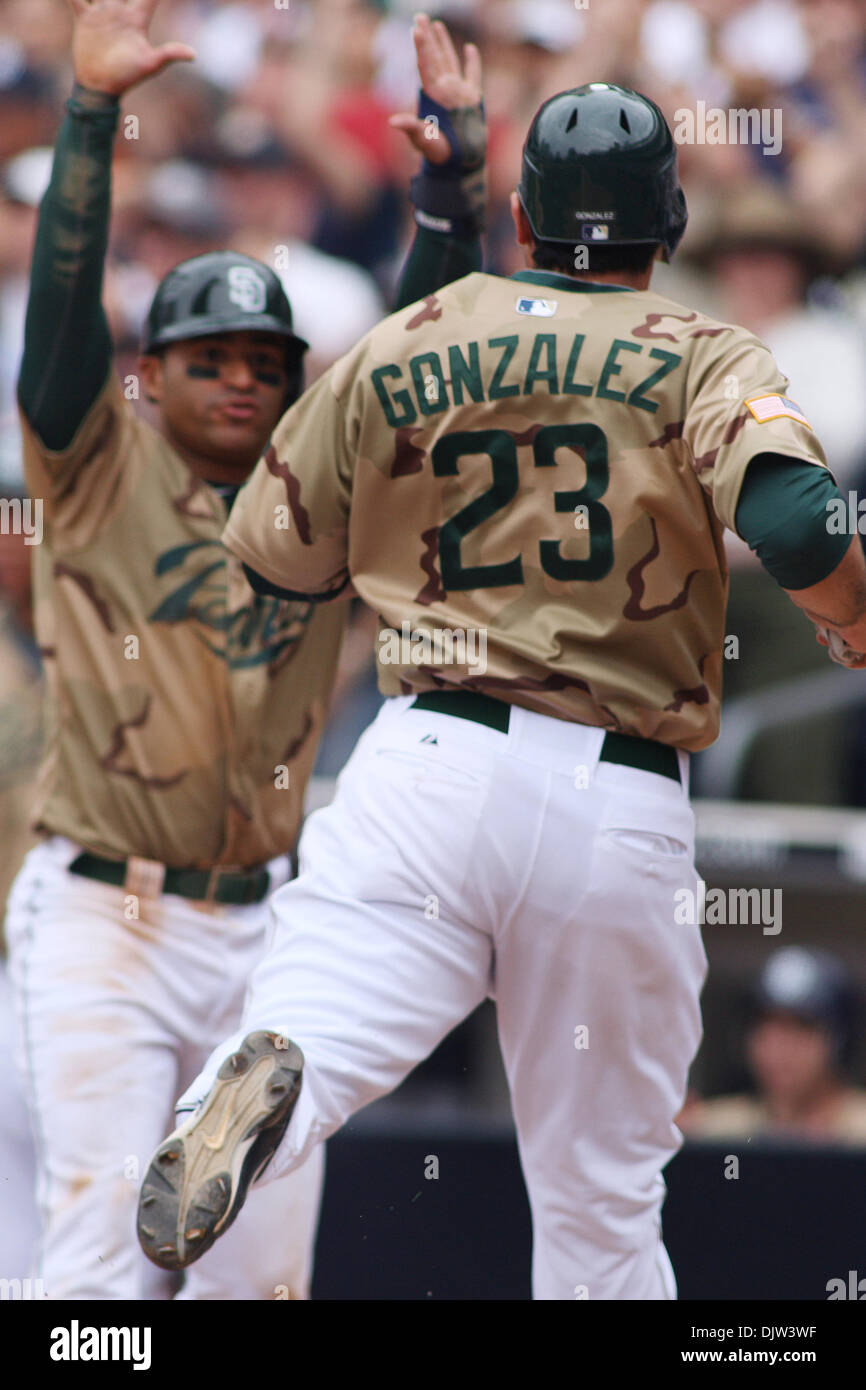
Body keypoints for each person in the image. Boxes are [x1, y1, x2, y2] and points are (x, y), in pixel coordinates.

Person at [138, 80, 866, 1301]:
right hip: (613, 796)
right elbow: (794, 517)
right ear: (666, 225)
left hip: (426, 764)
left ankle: (282, 1075)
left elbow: (269, 548)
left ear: (521, 220)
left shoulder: (408, 333)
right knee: (599, 1206)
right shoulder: (696, 346)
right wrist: (849, 617)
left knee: (308, 1017)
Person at [5, 0, 484, 1300]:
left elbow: (409, 365)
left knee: (259, 1291)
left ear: (288, 378)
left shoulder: (321, 489)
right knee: (97, 1277)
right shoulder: (92, 460)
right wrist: (91, 116)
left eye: (260, 361)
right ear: (147, 374)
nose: (234, 377)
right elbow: (57, 310)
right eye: (201, 356)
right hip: (106, 911)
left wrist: (449, 199)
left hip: (270, 926)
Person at [683, 947, 866, 1145]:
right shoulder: (711, 1130)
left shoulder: (860, 1129)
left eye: (799, 1029)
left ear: (839, 1040)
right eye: (766, 1030)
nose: (779, 1048)